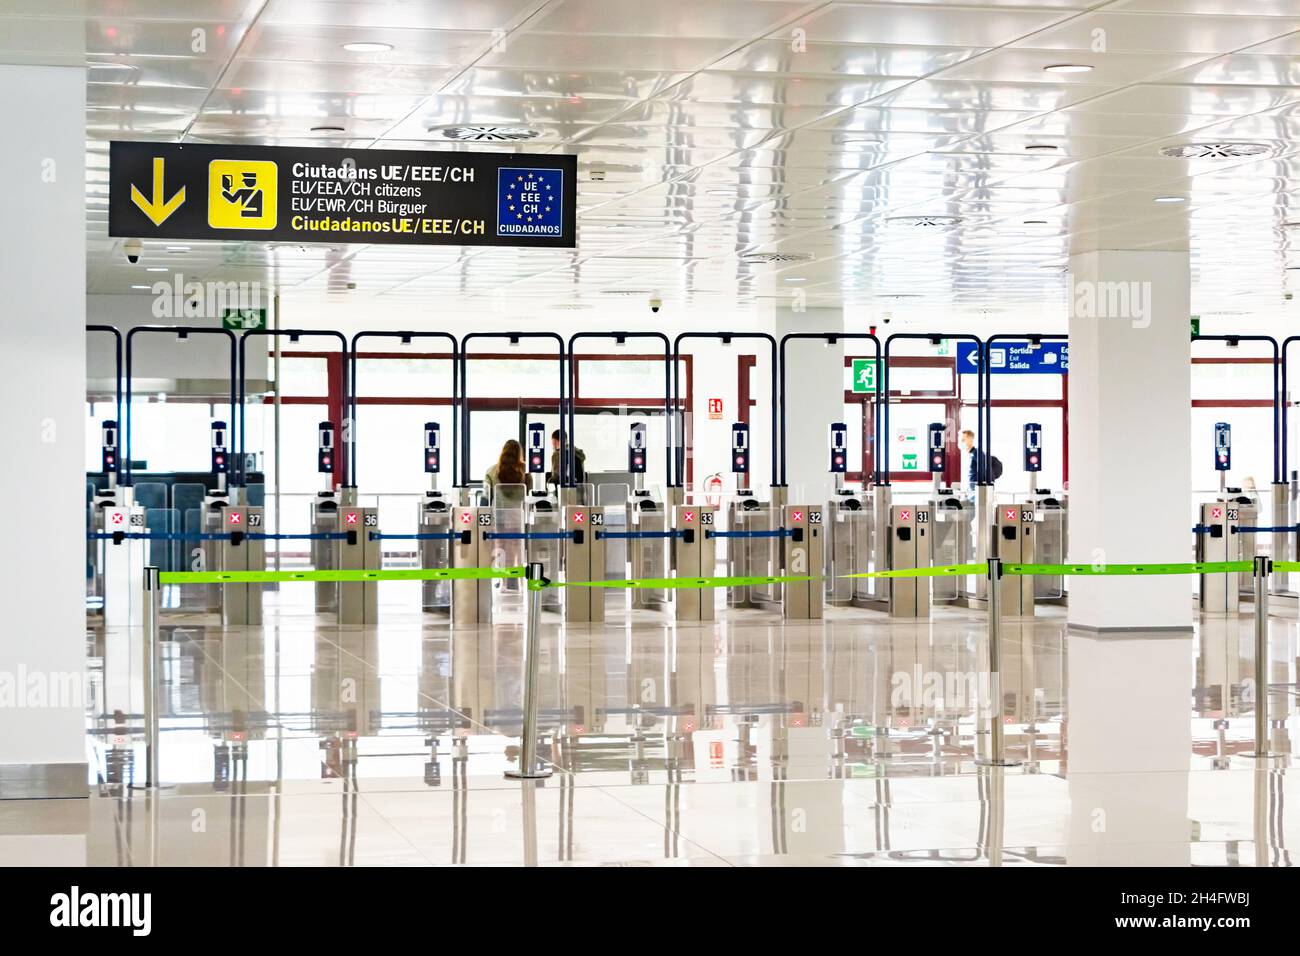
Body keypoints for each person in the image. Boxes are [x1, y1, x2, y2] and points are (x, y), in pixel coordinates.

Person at [484, 439, 526, 505]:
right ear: (519, 453)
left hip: (497, 513)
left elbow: (486, 497)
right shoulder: (526, 471)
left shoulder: (491, 471)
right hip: (521, 514)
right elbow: (530, 497)